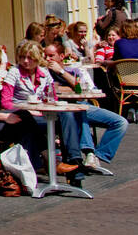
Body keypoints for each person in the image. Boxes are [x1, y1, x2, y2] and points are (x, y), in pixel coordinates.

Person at [43, 40, 128, 171]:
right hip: (62, 109)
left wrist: (61, 72)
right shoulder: (44, 72)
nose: (47, 59)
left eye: (51, 56)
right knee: (79, 111)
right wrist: (68, 87)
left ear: (61, 56)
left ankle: (98, 156)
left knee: (121, 122)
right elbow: (51, 89)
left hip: (82, 104)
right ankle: (89, 153)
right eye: (45, 56)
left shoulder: (72, 68)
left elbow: (80, 90)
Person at [0, 39, 76, 175]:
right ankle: (53, 163)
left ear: (37, 58)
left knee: (68, 115)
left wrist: (45, 103)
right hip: (21, 114)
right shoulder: (14, 72)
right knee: (29, 119)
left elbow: (52, 96)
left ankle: (74, 159)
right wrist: (28, 109)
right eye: (22, 57)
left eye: (30, 58)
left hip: (42, 113)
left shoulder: (44, 73)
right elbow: (5, 102)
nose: (26, 61)